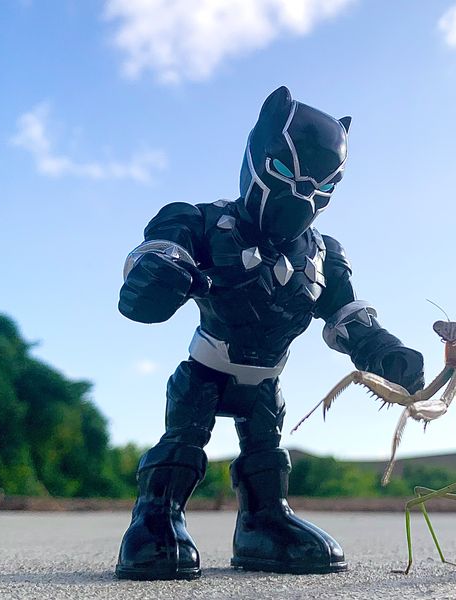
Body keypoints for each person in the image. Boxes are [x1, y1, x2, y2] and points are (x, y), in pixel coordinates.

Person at [115, 86, 424, 580]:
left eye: (321, 187)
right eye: (287, 174)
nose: (303, 197)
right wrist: (159, 275)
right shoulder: (204, 222)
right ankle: (156, 516)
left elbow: (345, 314)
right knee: (183, 441)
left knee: (265, 452)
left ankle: (264, 521)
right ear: (258, 160)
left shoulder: (322, 254)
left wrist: (382, 351)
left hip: (266, 381)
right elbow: (159, 252)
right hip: (207, 366)